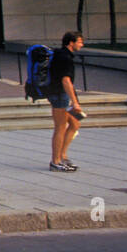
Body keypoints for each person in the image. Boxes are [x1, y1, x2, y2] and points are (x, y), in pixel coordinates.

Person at [47, 31, 84, 172]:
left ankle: (62, 156)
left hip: (60, 95)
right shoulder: (65, 57)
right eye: (79, 42)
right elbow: (66, 80)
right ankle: (55, 161)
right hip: (59, 95)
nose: (82, 44)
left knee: (75, 123)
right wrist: (75, 102)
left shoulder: (62, 54)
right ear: (71, 42)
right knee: (60, 127)